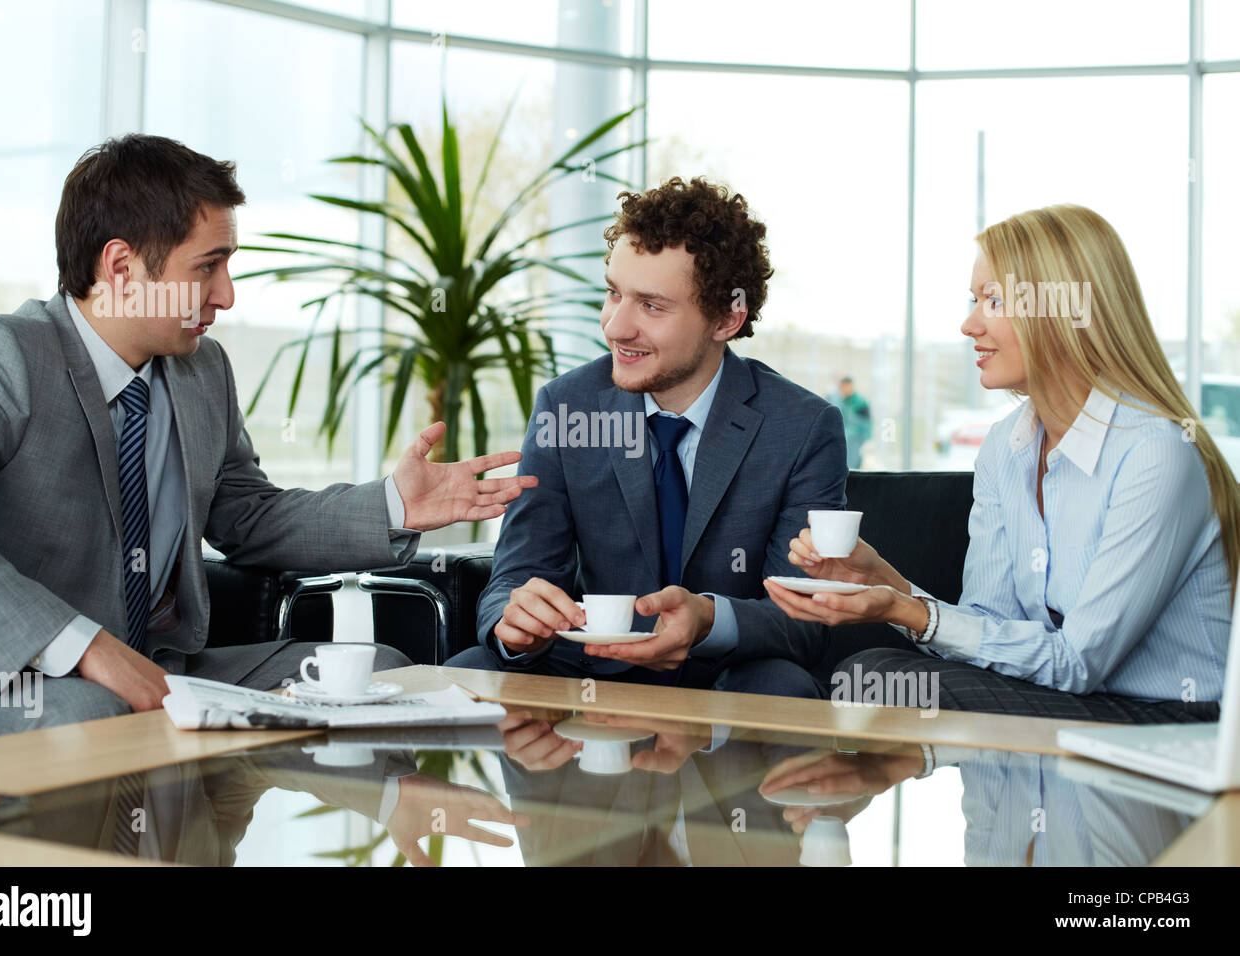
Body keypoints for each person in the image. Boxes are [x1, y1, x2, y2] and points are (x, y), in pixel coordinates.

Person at [0, 134, 536, 740]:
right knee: (91, 715)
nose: (226, 294)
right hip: (20, 680)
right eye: (208, 266)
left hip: (168, 668)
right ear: (121, 267)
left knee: (381, 675)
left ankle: (348, 820)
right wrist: (87, 648)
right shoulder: (1, 356)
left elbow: (247, 518)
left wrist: (394, 504)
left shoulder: (202, 371)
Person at [766, 204, 1236, 722]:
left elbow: (1078, 663)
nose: (969, 324)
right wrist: (883, 580)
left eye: (994, 300)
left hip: (1167, 717)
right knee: (869, 674)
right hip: (1073, 699)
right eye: (975, 300)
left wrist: (903, 609)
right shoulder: (1006, 447)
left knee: (880, 680)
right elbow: (989, 626)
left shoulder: (1154, 453)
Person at [446, 176, 847, 697]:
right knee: (470, 669)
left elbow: (802, 618)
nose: (615, 326)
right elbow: (516, 574)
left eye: (652, 306)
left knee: (781, 684)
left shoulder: (801, 427)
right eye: (614, 294)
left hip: (726, 676)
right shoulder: (566, 406)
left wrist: (707, 620)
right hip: (583, 668)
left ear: (728, 317)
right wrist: (514, 622)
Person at [829, 376, 871, 469]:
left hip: (856, 438)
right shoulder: (840, 400)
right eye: (842, 387)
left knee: (852, 463)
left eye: (846, 387)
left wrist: (867, 439)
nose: (843, 390)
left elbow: (866, 424)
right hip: (845, 438)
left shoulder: (860, 402)